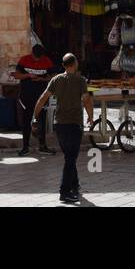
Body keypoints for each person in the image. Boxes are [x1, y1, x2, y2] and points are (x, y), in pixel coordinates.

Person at [31, 52, 93, 204]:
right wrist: (91, 117)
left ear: (64, 65)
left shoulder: (55, 80)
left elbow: (42, 98)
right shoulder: (80, 81)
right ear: (75, 64)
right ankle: (64, 192)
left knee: (69, 156)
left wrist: (34, 116)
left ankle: (75, 185)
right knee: (70, 158)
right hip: (74, 123)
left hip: (59, 124)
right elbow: (86, 101)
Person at [15, 44, 56, 155]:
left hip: (42, 96)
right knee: (26, 121)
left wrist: (42, 79)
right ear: (32, 53)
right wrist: (28, 76)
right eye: (35, 57)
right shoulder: (24, 60)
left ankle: (43, 146)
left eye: (39, 57)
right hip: (26, 96)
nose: (37, 59)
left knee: (41, 120)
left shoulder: (47, 61)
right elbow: (17, 75)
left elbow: (53, 76)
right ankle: (25, 147)